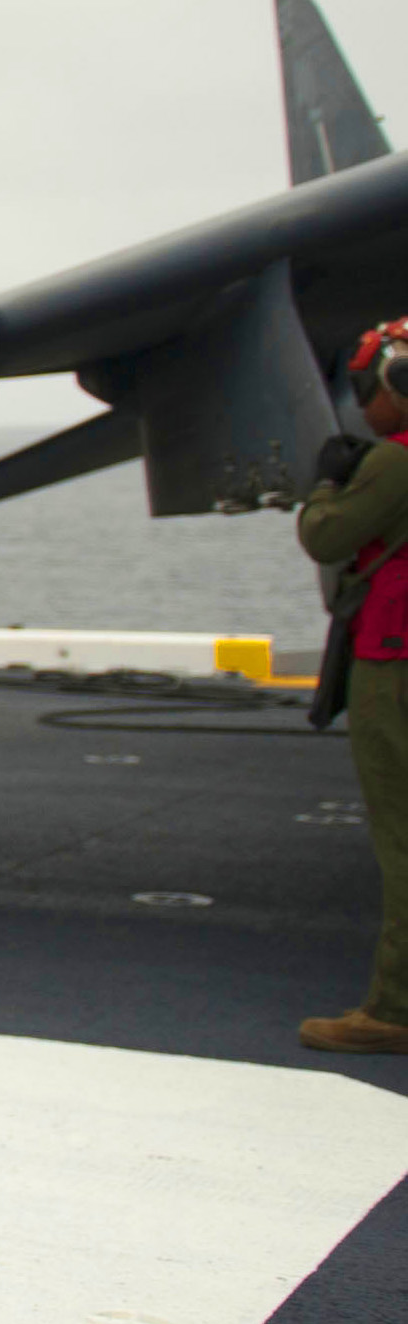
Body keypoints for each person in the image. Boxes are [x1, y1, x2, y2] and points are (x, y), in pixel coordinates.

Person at [296, 319, 408, 1052]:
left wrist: (328, 486)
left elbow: (326, 539)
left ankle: (394, 1008)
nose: (363, 401)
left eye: (369, 387)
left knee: (401, 840)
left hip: (394, 660)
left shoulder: (395, 464)